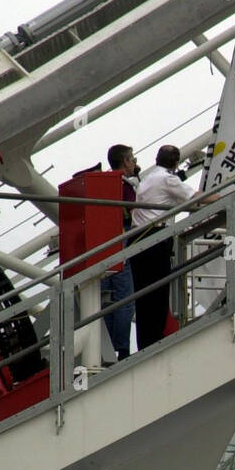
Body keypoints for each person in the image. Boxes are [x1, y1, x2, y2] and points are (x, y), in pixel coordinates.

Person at [128, 144, 191, 350]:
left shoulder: (147, 178)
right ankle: (154, 342)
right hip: (155, 239)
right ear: (176, 162)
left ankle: (145, 343)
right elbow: (195, 197)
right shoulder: (168, 179)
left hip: (138, 239)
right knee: (158, 295)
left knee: (143, 296)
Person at [101, 143, 138, 360]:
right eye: (132, 159)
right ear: (125, 161)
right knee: (125, 298)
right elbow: (135, 213)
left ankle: (107, 349)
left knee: (104, 297)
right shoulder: (126, 184)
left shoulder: (103, 182)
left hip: (101, 243)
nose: (134, 163)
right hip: (121, 239)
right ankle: (121, 349)